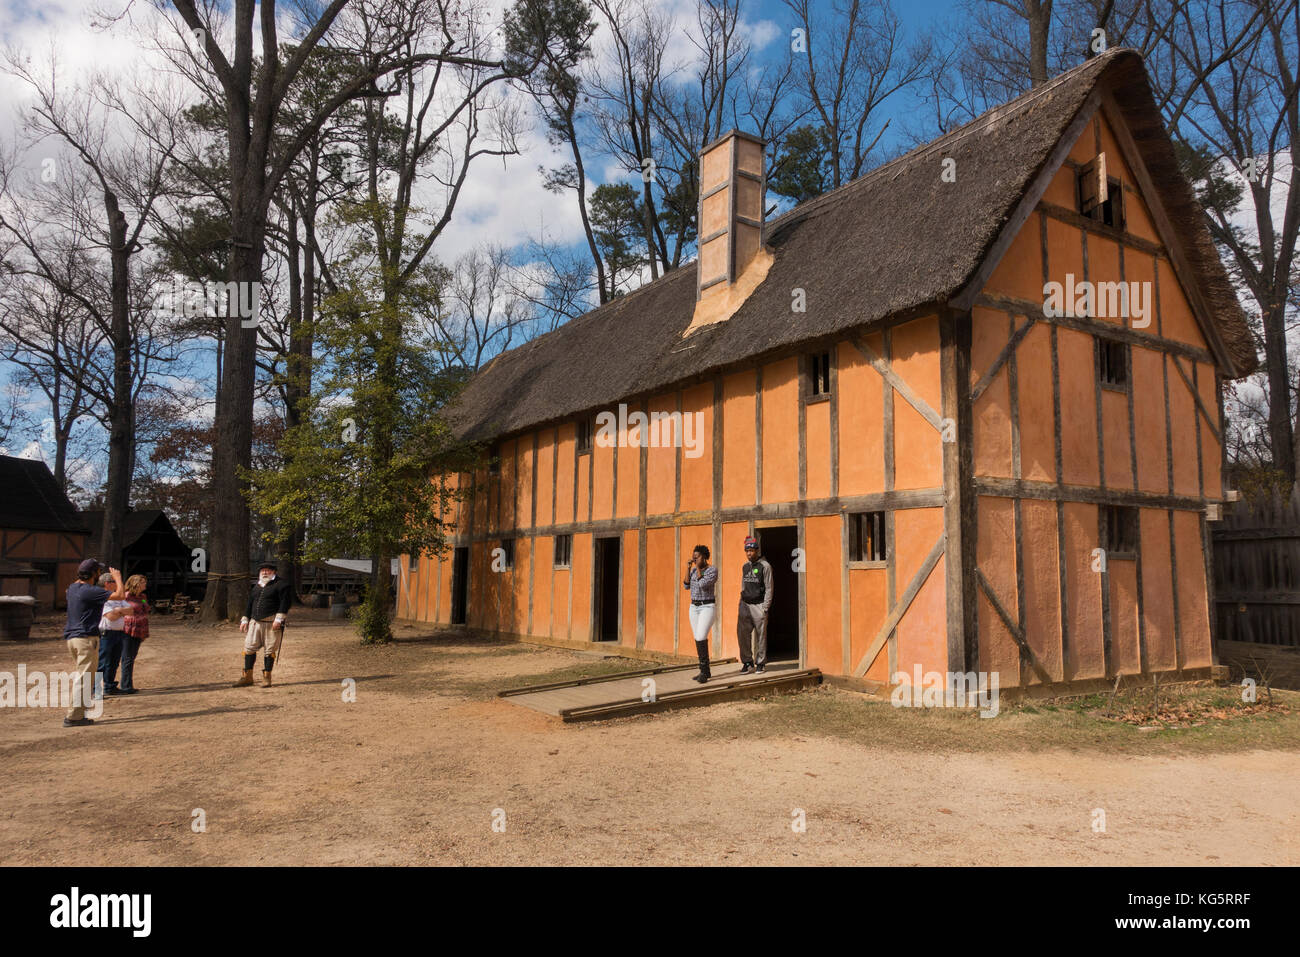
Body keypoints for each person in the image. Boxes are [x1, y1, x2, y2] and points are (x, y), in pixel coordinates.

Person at [63, 559, 121, 726]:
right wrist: (117, 578)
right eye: (98, 572)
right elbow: (121, 595)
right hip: (86, 639)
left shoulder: (73, 588)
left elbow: (73, 585)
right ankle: (74, 717)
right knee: (85, 678)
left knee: (83, 676)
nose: (100, 575)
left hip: (73, 639)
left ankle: (77, 713)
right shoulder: (90, 591)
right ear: (94, 574)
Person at [234, 561, 293, 688]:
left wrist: (279, 619)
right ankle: (247, 677)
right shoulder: (257, 586)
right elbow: (250, 603)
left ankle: (267, 678)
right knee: (249, 648)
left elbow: (285, 603)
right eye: (263, 570)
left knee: (269, 650)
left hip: (272, 623)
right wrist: (245, 619)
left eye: (268, 570)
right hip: (255, 623)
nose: (265, 572)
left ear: (274, 572)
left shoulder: (282, 585)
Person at [736, 535, 774, 674]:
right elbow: (743, 584)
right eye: (747, 551)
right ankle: (747, 662)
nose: (749, 553)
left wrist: (765, 607)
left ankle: (760, 663)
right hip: (745, 604)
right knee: (742, 634)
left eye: (751, 550)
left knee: (761, 636)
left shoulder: (765, 566)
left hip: (759, 605)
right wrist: (741, 600)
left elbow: (769, 588)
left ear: (757, 551)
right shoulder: (745, 566)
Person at [682, 545, 718, 683]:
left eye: (698, 557)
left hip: (707, 606)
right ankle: (705, 671)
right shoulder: (692, 571)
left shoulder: (712, 570)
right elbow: (686, 585)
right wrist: (687, 568)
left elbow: (703, 584)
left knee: (701, 635)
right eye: (694, 557)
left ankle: (704, 671)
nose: (695, 559)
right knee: (697, 637)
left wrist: (697, 568)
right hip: (694, 607)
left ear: (705, 556)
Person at [97, 573, 130, 696]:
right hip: (106, 633)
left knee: (114, 662)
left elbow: (131, 611)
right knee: (102, 662)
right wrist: (122, 611)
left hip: (119, 633)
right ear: (107, 583)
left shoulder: (118, 599)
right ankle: (96, 690)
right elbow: (110, 617)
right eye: (115, 581)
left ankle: (109, 686)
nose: (117, 584)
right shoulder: (103, 598)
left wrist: (118, 611)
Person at [117, 575, 150, 694]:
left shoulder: (142, 597)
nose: (145, 584)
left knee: (132, 657)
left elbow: (145, 606)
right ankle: (126, 686)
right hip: (128, 629)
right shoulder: (125, 597)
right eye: (143, 582)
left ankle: (127, 684)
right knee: (127, 658)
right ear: (136, 584)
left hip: (139, 629)